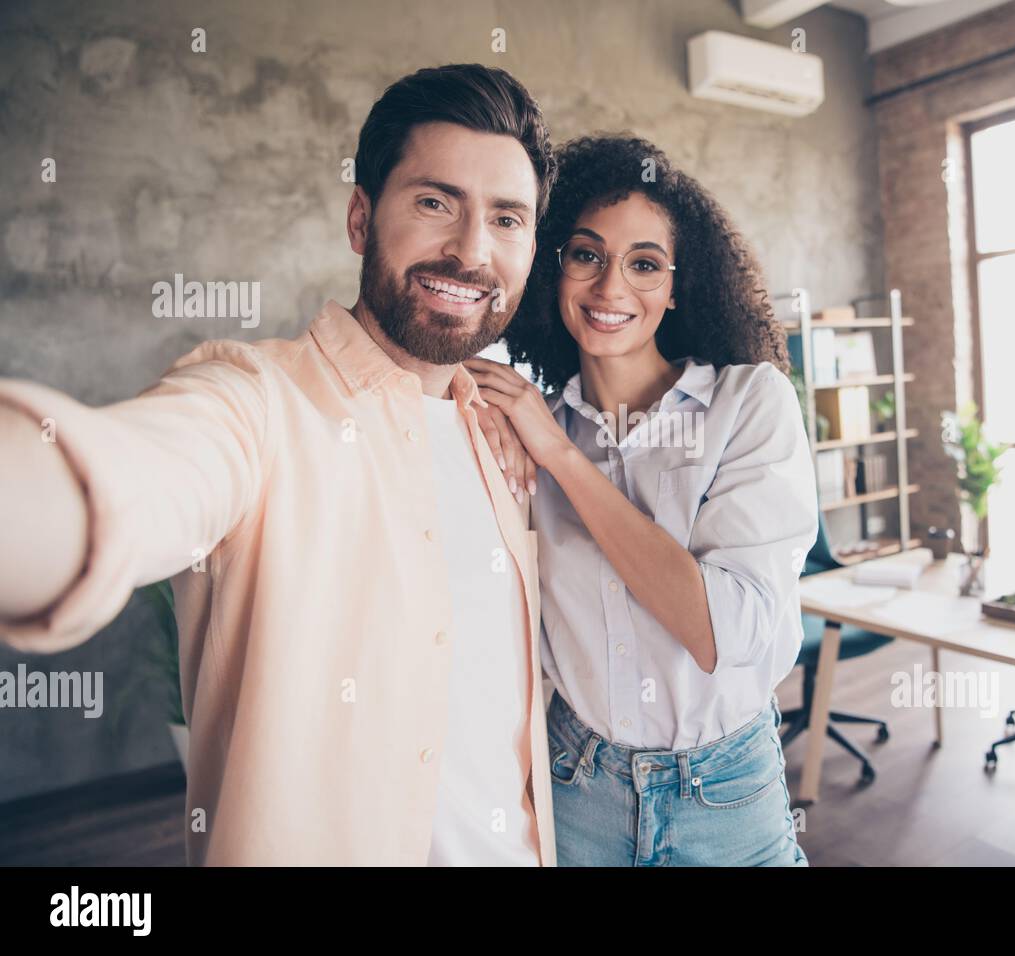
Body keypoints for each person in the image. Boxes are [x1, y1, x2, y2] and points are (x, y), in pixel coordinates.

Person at [0, 64, 559, 866]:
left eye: (507, 218)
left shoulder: (501, 430)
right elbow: (138, 471)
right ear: (361, 218)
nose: (472, 250)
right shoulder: (257, 403)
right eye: (435, 202)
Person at [465, 134, 819, 866]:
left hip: (725, 792)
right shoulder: (529, 424)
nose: (611, 288)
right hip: (578, 783)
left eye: (645, 264)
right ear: (553, 264)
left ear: (677, 286)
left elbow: (723, 629)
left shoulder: (749, 404)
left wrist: (560, 458)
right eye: (587, 254)